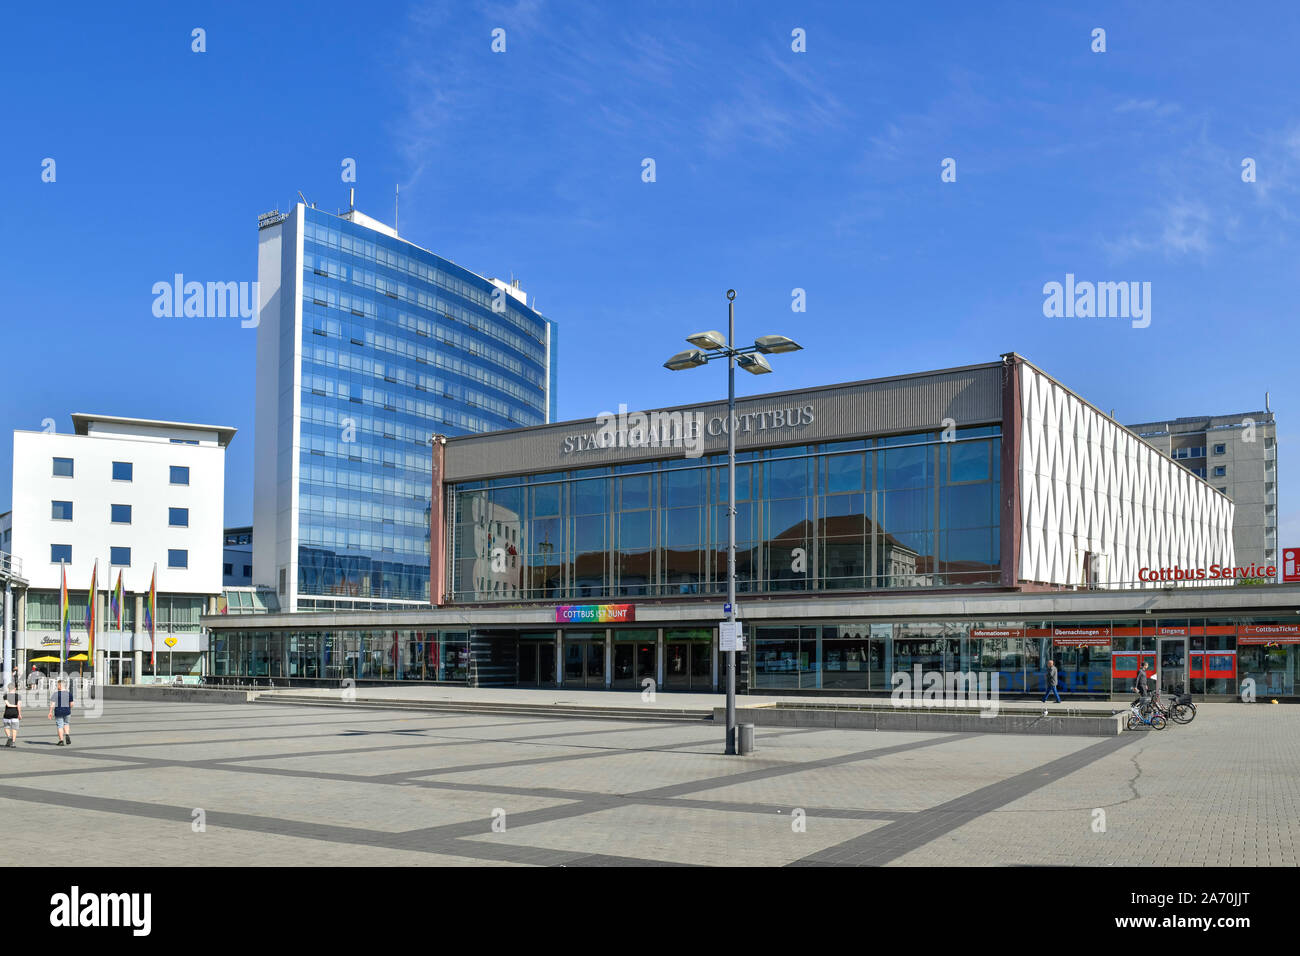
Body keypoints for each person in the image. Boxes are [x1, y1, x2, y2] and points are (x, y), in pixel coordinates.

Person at [47, 679, 73, 746]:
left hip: (58, 712)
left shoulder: (55, 694)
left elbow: (52, 704)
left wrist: (50, 712)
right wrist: (69, 709)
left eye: (57, 685)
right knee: (66, 724)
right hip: (67, 711)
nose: (56, 686)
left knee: (60, 726)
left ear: (59, 685)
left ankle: (61, 741)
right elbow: (72, 704)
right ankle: (67, 735)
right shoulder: (69, 694)